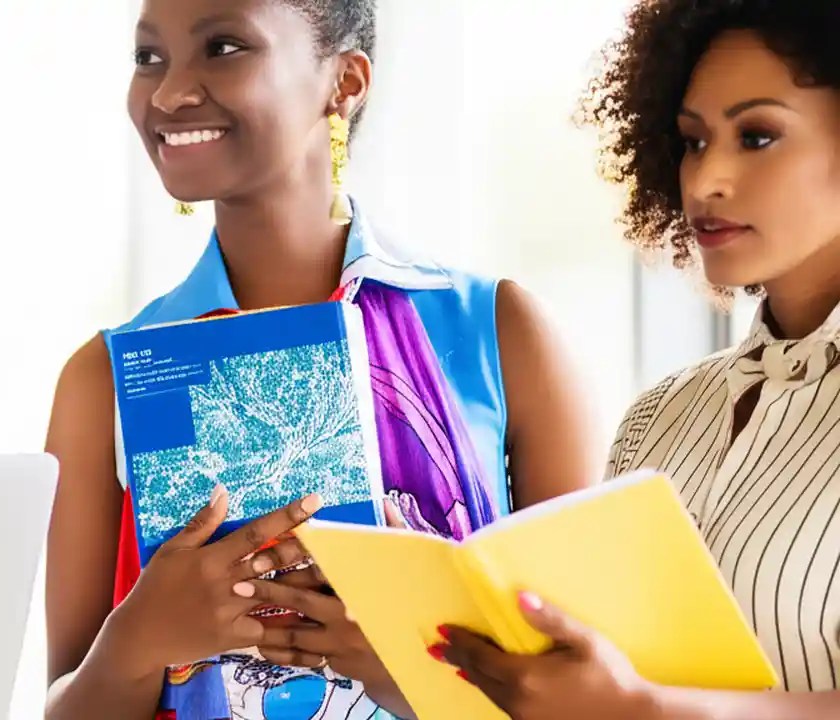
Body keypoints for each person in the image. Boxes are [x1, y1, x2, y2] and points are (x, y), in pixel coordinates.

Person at [43, 0, 599, 718]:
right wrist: (138, 640)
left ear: (344, 82)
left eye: (223, 47)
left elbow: (587, 693)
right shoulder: (105, 378)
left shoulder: (501, 332)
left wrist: (411, 666)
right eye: (149, 57)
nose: (170, 92)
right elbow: (62, 701)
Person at [435, 1, 840, 717]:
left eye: (757, 136)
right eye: (691, 141)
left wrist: (647, 707)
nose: (705, 179)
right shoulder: (658, 417)